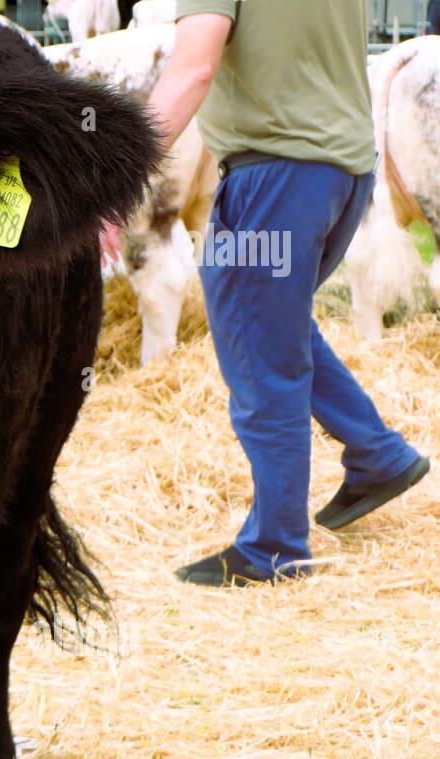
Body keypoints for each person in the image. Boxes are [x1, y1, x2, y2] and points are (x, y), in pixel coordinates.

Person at [100, 0, 430, 586]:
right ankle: (376, 453)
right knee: (265, 319)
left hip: (272, 180)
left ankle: (274, 545)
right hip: (341, 173)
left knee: (258, 344)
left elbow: (193, 68)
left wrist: (116, 176)